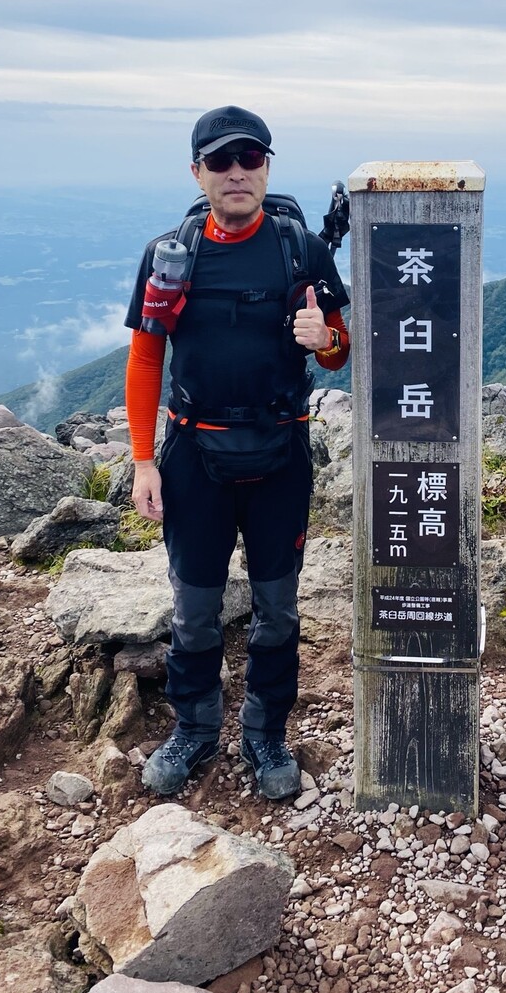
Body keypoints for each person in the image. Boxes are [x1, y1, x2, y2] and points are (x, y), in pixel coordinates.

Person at [123, 106, 350, 798]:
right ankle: (193, 729)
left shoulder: (300, 250)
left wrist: (325, 340)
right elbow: (145, 356)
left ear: (267, 168)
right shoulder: (172, 253)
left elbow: (341, 352)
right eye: (221, 161)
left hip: (281, 449)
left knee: (278, 608)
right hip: (195, 455)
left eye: (250, 159)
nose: (237, 173)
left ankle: (266, 734)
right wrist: (142, 460)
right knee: (194, 608)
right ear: (197, 173)